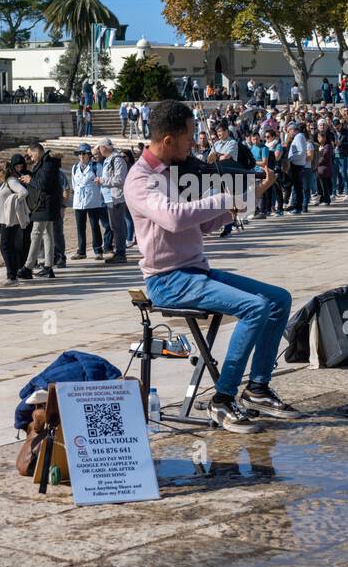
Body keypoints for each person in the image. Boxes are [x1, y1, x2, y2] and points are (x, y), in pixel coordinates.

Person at [125, 100, 296, 434]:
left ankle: (257, 388)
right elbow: (174, 218)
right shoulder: (140, 180)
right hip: (168, 280)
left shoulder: (169, 173)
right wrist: (223, 198)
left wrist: (249, 195)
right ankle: (223, 398)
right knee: (255, 308)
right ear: (169, 140)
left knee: (279, 299)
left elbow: (199, 226)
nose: (196, 144)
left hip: (193, 271)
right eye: (190, 137)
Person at [21, 142, 61, 279]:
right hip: (46, 204)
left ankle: (28, 267)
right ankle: (48, 267)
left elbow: (43, 184)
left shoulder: (47, 164)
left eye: (31, 155)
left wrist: (29, 179)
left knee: (36, 233)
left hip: (44, 204)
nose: (31, 158)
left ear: (37, 151)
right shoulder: (46, 163)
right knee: (47, 233)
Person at [97, 138, 130, 265]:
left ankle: (121, 253)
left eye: (100, 148)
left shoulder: (117, 159)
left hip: (117, 198)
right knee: (114, 226)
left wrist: (102, 181)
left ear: (104, 148)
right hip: (109, 198)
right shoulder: (108, 160)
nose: (99, 151)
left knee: (118, 226)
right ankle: (119, 251)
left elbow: (119, 179)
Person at [71, 144, 106, 260]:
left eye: (84, 153)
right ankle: (81, 251)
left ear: (89, 155)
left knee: (94, 225)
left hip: (93, 200)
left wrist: (100, 197)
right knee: (80, 226)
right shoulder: (75, 167)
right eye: (79, 154)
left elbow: (102, 182)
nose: (81, 156)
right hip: (78, 201)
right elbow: (74, 184)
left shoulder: (96, 166)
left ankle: (98, 250)